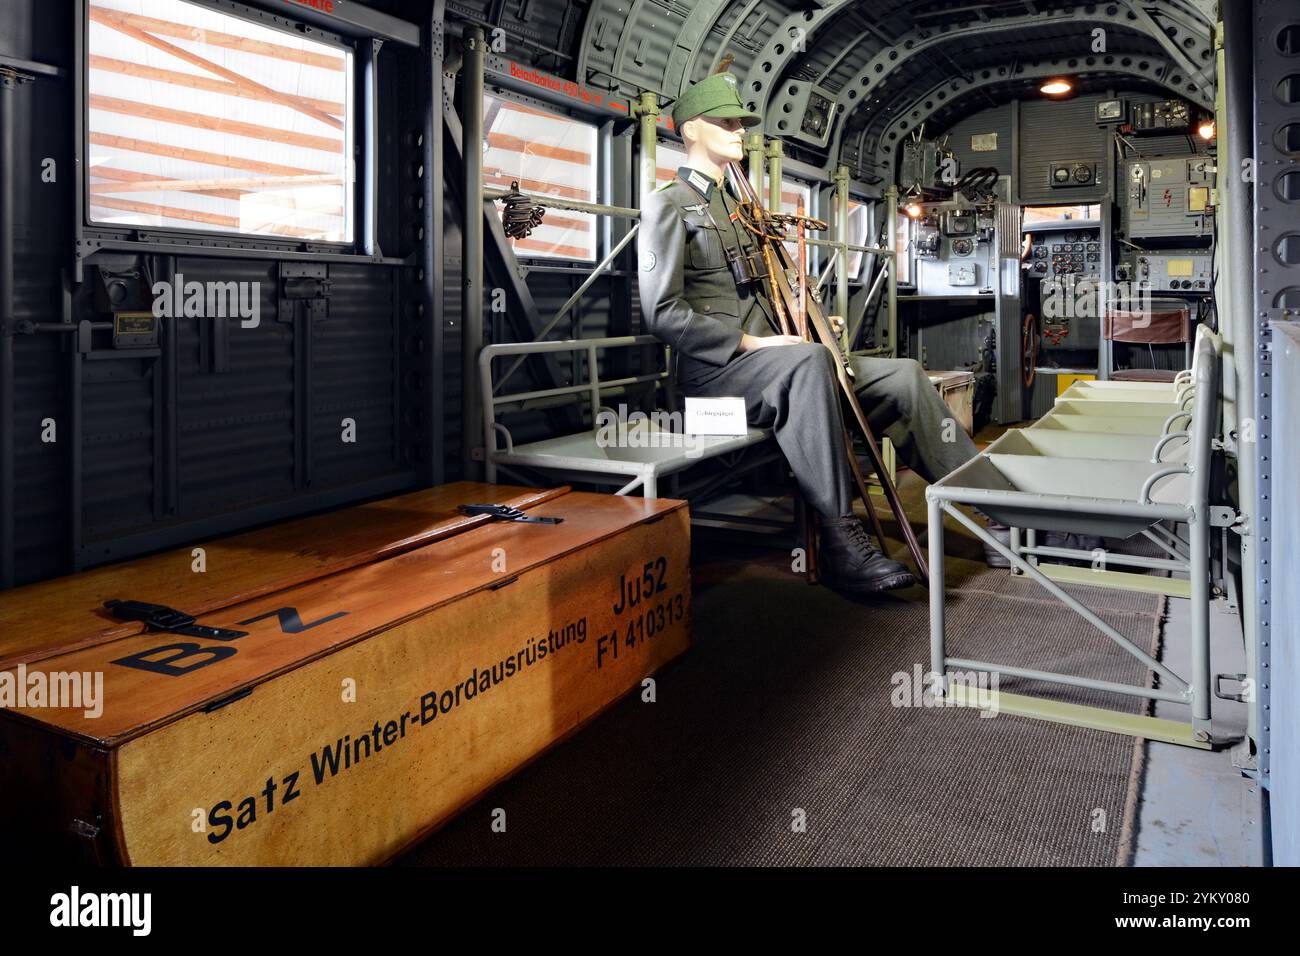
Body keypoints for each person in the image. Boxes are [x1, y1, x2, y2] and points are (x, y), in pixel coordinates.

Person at [637, 72, 994, 594]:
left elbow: (772, 293)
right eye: (727, 122)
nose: (740, 131)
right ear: (691, 130)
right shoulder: (666, 205)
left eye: (741, 122)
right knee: (807, 364)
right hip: (715, 388)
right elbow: (661, 313)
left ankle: (996, 508)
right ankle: (841, 541)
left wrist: (816, 325)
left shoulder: (740, 210)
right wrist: (755, 345)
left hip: (783, 368)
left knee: (902, 375)